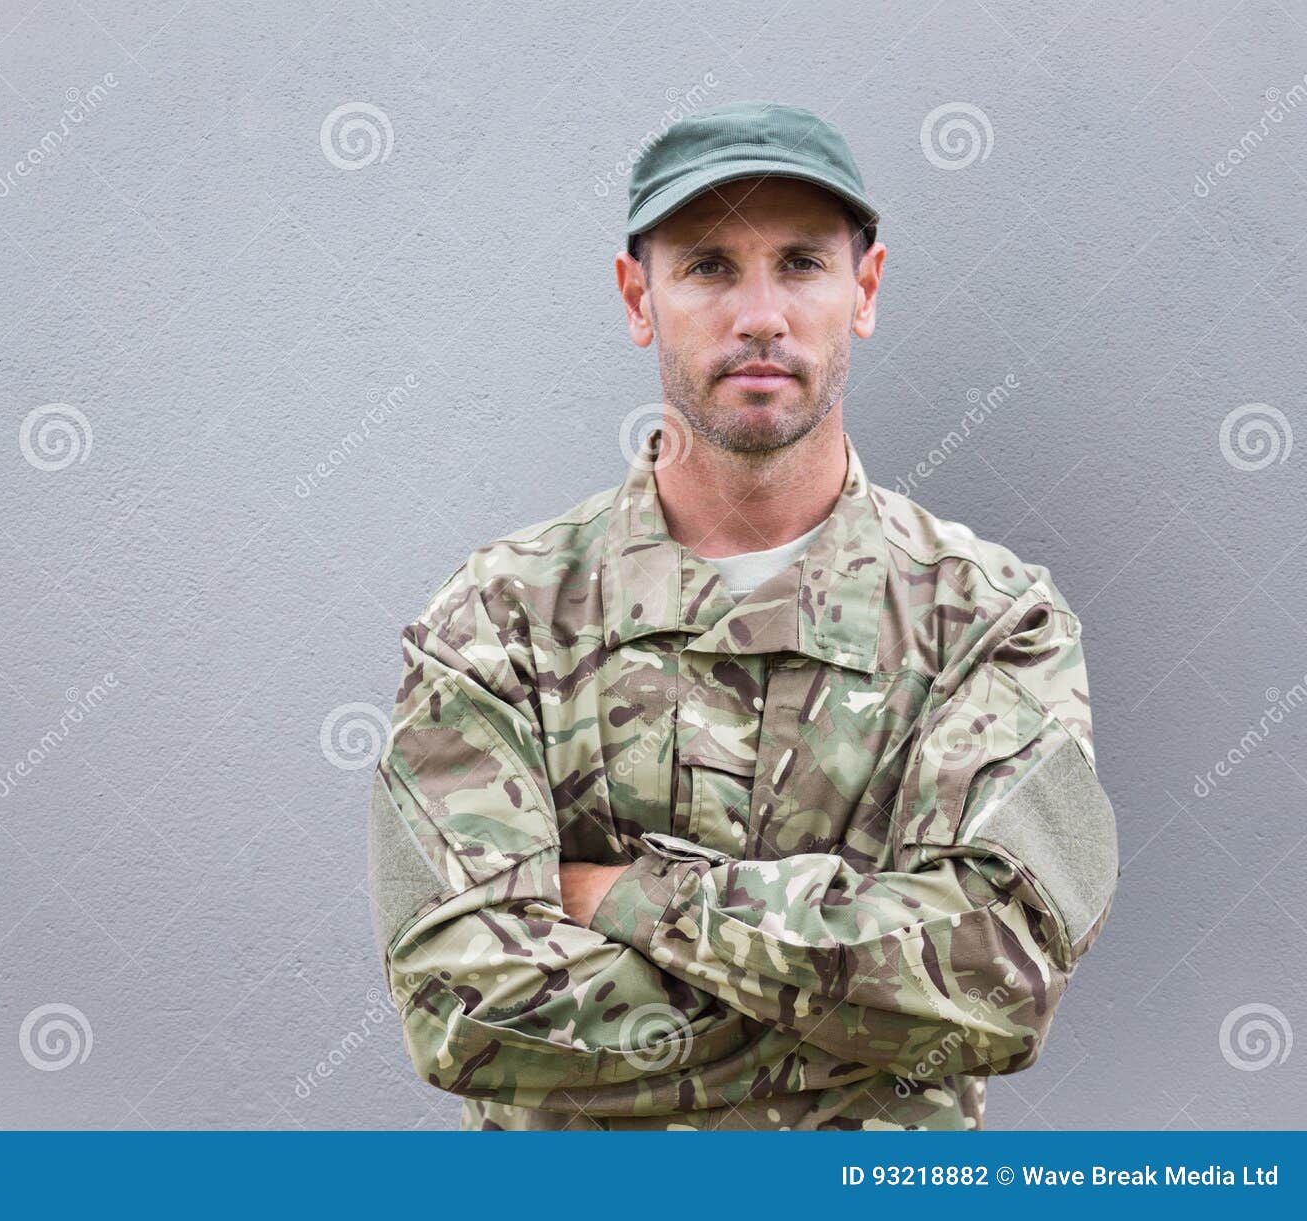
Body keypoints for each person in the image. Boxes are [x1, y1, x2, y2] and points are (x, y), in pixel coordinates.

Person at [367, 101, 1118, 1130]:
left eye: (802, 263)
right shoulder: (499, 621)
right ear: (640, 298)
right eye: (709, 266)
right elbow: (462, 1010)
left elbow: (996, 979)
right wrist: (855, 1024)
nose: (758, 313)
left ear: (865, 288)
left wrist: (628, 900)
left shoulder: (987, 622)